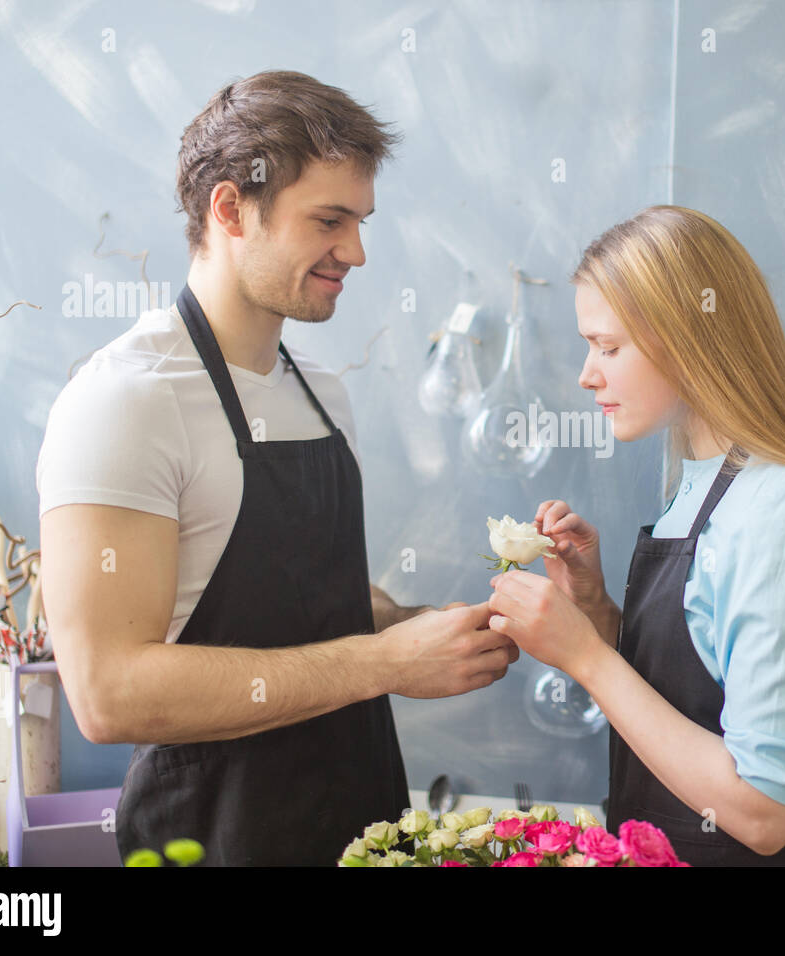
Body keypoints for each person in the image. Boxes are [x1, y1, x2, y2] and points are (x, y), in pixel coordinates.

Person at [36, 71, 517, 866]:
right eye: (329, 220)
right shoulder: (124, 401)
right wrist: (385, 662)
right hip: (212, 841)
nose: (356, 252)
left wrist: (447, 628)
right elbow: (107, 693)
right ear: (230, 209)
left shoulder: (320, 394)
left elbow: (299, 600)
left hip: (361, 831)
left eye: (359, 221)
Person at [486, 206, 785, 866]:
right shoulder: (699, 485)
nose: (587, 375)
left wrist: (585, 658)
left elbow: (763, 815)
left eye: (608, 347)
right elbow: (692, 695)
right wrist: (593, 613)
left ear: (689, 339)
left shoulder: (784, 511)